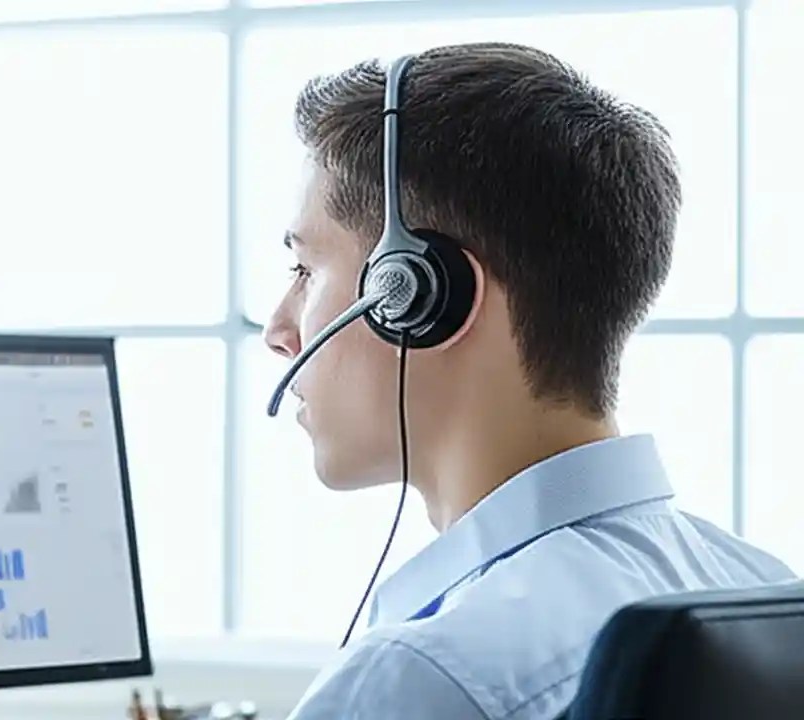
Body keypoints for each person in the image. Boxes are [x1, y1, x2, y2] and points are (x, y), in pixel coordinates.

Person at [263, 42, 797, 719]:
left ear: (421, 295)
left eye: (305, 270)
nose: (278, 330)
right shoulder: (757, 588)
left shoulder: (421, 678)